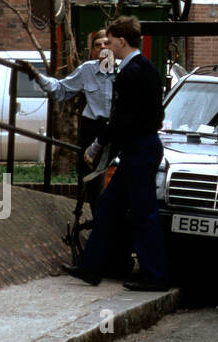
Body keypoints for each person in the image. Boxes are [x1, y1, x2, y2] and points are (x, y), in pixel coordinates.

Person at [62, 16, 169, 291]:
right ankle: (91, 267)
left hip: (138, 148)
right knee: (109, 207)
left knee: (143, 213)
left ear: (122, 41)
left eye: (110, 42)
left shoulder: (129, 73)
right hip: (143, 146)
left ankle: (155, 276)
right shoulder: (147, 68)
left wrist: (99, 143)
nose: (108, 47)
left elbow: (122, 119)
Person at [19, 30, 114, 203]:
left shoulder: (125, 71)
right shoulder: (87, 70)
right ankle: (97, 220)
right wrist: (37, 75)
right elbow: (61, 90)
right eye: (98, 44)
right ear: (92, 51)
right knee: (92, 180)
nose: (103, 47)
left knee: (116, 179)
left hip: (117, 129)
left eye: (106, 43)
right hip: (93, 128)